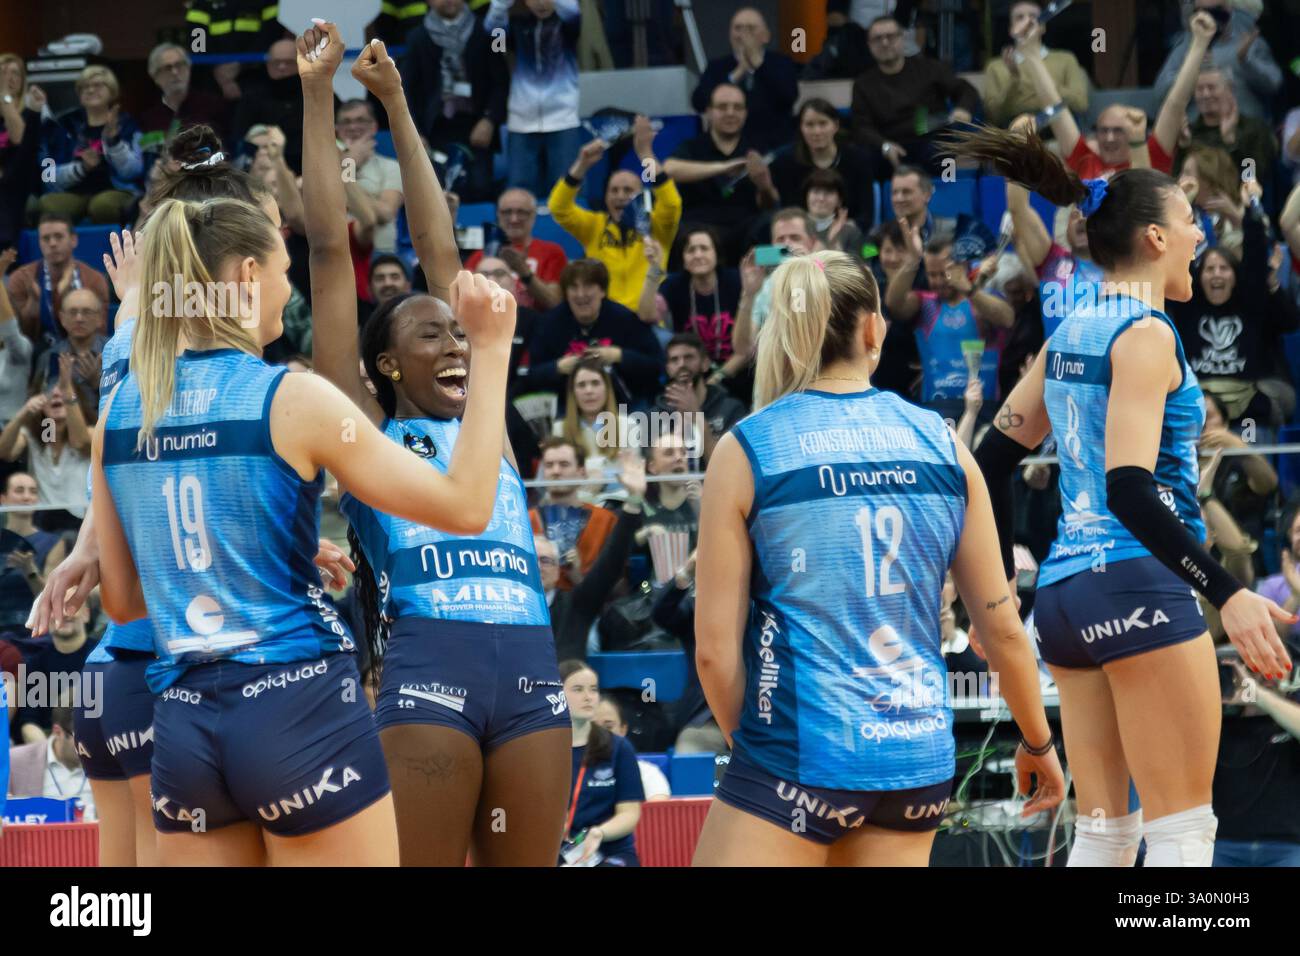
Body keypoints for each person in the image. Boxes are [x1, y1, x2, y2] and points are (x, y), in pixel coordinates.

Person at [952, 122, 1294, 867]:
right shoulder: (1147, 335)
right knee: (1181, 836)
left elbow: (990, 461)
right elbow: (1131, 491)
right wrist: (1228, 590)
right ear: (1155, 239)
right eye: (1189, 220)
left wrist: (995, 595)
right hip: (1138, 583)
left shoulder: (1070, 328)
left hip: (1068, 603)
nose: (1201, 232)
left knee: (1105, 836)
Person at [692, 249, 1063, 866]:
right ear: (873, 329)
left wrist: (759, 755)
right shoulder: (943, 441)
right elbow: (1000, 628)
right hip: (915, 764)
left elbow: (713, 653)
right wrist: (1037, 740)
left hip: (799, 752)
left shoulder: (748, 446)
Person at [302, 26, 567, 868]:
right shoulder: (365, 428)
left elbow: (443, 252)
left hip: (532, 670)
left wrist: (397, 104)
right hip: (425, 671)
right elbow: (325, 254)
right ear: (385, 364)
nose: (457, 343)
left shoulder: (485, 399)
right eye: (431, 335)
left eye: (460, 332)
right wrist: (319, 97)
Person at [1015, 12, 1208, 181]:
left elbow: (1175, 104)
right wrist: (1031, 53)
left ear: (1136, 131)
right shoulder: (1084, 158)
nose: (1109, 137)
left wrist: (1199, 43)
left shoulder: (1152, 154)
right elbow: (1055, 107)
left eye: (1118, 131)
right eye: (1103, 130)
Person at [1170, 182, 1298, 430]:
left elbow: (1255, 257)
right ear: (1199, 277)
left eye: (1224, 268)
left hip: (1248, 404)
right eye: (1209, 269)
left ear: (1236, 276)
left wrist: (1252, 207)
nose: (1217, 275)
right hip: (1200, 400)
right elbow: (1175, 257)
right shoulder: (1188, 304)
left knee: (1256, 421)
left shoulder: (1249, 302)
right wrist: (1177, 208)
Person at [884, 229, 1014, 423]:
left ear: (962, 265)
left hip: (983, 408)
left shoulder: (982, 302)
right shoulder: (926, 305)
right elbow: (894, 304)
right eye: (931, 274)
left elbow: (1007, 318)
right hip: (935, 410)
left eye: (944, 274)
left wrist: (970, 290)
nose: (937, 281)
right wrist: (912, 261)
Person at [549, 125, 682, 312]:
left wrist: (646, 156)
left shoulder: (657, 225)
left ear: (640, 194)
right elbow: (558, 207)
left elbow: (671, 203)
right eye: (614, 190)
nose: (620, 196)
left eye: (628, 190)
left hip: (646, 316)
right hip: (605, 318)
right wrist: (582, 164)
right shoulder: (594, 226)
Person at [399, 0, 509, 204]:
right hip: (437, 128)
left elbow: (501, 81)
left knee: (480, 187)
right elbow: (406, 90)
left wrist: (490, 119)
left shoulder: (489, 31)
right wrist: (415, 132)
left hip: (478, 126)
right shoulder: (417, 37)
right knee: (438, 193)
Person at [537, 458, 645, 660]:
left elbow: (610, 564)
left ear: (556, 568)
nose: (539, 567)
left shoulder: (576, 605)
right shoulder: (513, 606)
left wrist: (634, 501)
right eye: (532, 560)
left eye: (545, 560)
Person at [850, 15, 978, 179]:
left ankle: (951, 198)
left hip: (931, 142)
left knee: (946, 156)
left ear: (902, 39)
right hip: (890, 148)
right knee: (861, 159)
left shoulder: (929, 68)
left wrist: (963, 108)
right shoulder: (863, 84)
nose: (884, 43)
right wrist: (884, 146)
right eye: (877, 39)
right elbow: (861, 127)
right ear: (869, 45)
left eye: (890, 36)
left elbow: (966, 90)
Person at [526, 259, 665, 408]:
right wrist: (558, 367)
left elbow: (656, 366)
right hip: (567, 406)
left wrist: (618, 355)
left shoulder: (625, 319)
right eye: (573, 287)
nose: (581, 294)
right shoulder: (549, 324)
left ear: (602, 291)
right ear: (566, 293)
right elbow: (531, 376)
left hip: (624, 404)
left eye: (588, 286)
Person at [486, 0, 585, 201]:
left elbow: (572, 10)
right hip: (522, 121)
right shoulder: (517, 25)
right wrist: (500, 4)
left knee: (567, 190)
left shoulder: (568, 25)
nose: (541, 2)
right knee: (518, 192)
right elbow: (494, 37)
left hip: (562, 119)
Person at [662, 84, 765, 265]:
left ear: (745, 113)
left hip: (745, 230)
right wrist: (722, 167)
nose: (730, 113)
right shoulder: (692, 146)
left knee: (774, 226)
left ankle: (774, 286)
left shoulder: (758, 147)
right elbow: (669, 169)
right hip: (698, 226)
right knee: (676, 234)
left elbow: (770, 202)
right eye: (722, 107)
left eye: (737, 107)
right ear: (709, 112)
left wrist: (765, 184)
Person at [558, 659, 645, 866]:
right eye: (578, 689)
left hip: (608, 850)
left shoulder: (619, 748)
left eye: (593, 689)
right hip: (558, 851)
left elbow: (630, 813)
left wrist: (599, 833)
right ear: (557, 696)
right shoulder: (541, 750)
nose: (588, 697)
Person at [37, 65, 143, 225]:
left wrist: (113, 141)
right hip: (74, 192)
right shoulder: (63, 125)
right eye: (85, 87)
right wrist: (81, 168)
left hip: (117, 190)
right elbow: (48, 175)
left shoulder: (128, 124)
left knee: (102, 205)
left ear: (112, 91)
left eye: (98, 85)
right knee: (48, 205)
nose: (91, 90)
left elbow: (133, 171)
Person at [690, 7, 799, 153]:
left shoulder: (781, 63)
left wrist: (759, 64)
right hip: (727, 148)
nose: (743, 34)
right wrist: (737, 73)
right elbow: (699, 102)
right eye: (738, 28)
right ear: (730, 35)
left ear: (766, 36)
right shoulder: (717, 66)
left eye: (751, 28)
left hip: (775, 146)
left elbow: (788, 97)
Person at [1152, 0, 1281, 122]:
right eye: (1201, 10)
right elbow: (1160, 94)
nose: (1208, 16)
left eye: (1216, 9)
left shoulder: (1248, 40)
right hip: (1200, 135)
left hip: (1245, 134)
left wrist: (1246, 61)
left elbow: (1274, 83)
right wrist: (1192, 68)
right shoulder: (1186, 46)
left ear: (1229, 9)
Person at [5, 212, 110, 347]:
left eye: (59, 237)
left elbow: (99, 335)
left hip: (83, 354)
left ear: (73, 240)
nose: (53, 243)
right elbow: (18, 344)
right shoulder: (21, 279)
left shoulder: (95, 280)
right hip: (37, 356)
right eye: (46, 238)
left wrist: (63, 296)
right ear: (39, 242)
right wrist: (32, 307)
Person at [770, 99, 876, 231]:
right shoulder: (786, 163)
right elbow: (787, 212)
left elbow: (865, 217)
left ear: (836, 125)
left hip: (846, 233)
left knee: (870, 251)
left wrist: (840, 230)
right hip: (801, 236)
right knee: (764, 246)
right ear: (801, 128)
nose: (817, 131)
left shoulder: (858, 159)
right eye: (809, 125)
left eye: (823, 123)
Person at [980, 1, 1088, 129]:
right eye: (1020, 17)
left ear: (1043, 27)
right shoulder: (996, 66)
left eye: (1033, 17)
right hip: (1015, 131)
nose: (1027, 22)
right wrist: (1014, 80)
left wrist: (1044, 82)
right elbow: (993, 115)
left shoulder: (1065, 59)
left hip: (1059, 127)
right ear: (1011, 29)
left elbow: (1081, 104)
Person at [650, 333, 746, 467]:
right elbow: (656, 471)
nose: (682, 364)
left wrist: (696, 415)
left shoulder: (731, 409)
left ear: (705, 363)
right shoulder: (653, 416)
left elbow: (727, 466)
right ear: (668, 369)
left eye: (689, 357)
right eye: (674, 360)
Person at [655, 227, 742, 370]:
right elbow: (648, 317)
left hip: (736, 367)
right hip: (688, 370)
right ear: (683, 259)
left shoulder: (737, 280)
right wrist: (654, 269)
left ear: (716, 254)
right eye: (691, 250)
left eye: (704, 248)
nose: (698, 255)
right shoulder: (673, 285)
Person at [465, 188, 567, 311]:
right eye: (507, 212)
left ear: (534, 215)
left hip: (537, 325)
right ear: (498, 214)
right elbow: (464, 299)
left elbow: (555, 303)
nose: (514, 219)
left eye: (521, 212)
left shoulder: (552, 252)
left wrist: (524, 273)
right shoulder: (479, 256)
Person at [1183, 65, 1278, 190]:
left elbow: (1252, 178)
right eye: (1199, 89)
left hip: (1240, 204)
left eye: (1211, 88)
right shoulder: (1190, 132)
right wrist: (1182, 148)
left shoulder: (1254, 129)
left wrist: (1231, 144)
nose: (1205, 94)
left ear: (1229, 89)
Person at [137, 44, 230, 166]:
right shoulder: (149, 118)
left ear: (189, 68)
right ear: (155, 76)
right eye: (167, 68)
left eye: (179, 65)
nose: (175, 72)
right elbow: (148, 160)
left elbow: (228, 150)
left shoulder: (213, 105)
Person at [231, 38, 314, 173]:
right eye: (276, 63)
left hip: (308, 169)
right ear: (268, 65)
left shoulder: (315, 95)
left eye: (289, 62)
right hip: (262, 168)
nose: (282, 67)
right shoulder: (251, 98)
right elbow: (240, 139)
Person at [335, 100, 405, 254]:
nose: (353, 127)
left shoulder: (391, 167)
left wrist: (347, 167)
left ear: (374, 127)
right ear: (337, 129)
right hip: (336, 254)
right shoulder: (324, 168)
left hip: (379, 257)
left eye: (361, 120)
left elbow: (386, 212)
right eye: (346, 122)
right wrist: (349, 163)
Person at [34, 287, 108, 424]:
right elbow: (38, 407)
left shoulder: (115, 352)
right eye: (73, 312)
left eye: (87, 312)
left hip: (105, 431)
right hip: (63, 432)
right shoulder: (50, 358)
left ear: (100, 318)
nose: (79, 318)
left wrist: (99, 385)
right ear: (62, 318)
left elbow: (129, 403)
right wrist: (64, 387)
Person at [595, 695, 670, 799]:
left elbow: (658, 812)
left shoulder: (647, 774)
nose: (600, 733)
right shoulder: (570, 774)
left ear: (623, 730)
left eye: (609, 726)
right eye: (592, 726)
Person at [803, 168, 866, 260]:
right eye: (816, 191)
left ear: (839, 200)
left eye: (828, 193)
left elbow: (863, 264)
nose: (821, 198)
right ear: (807, 196)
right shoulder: (793, 228)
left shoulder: (852, 232)